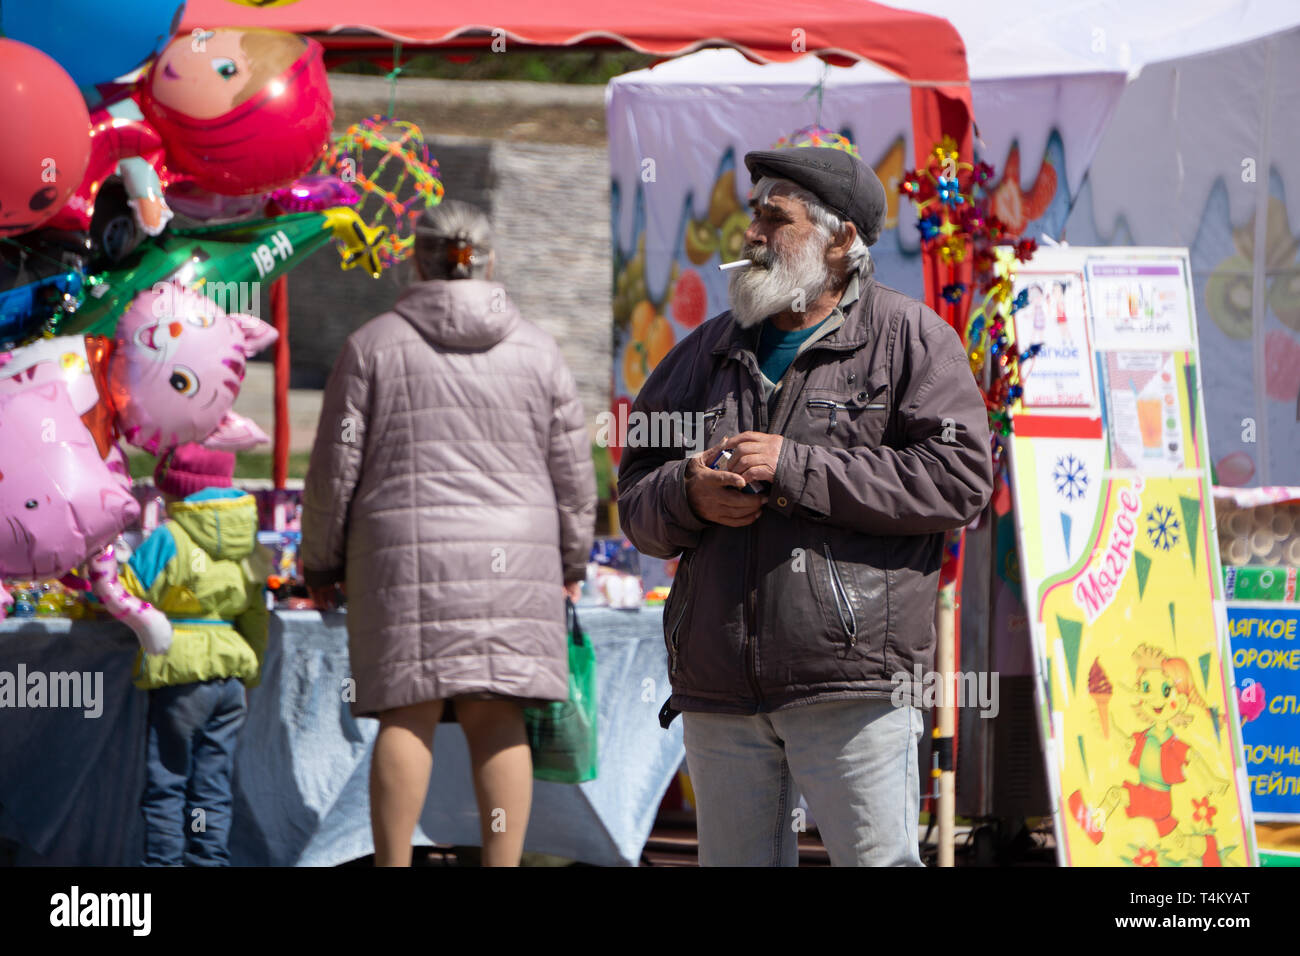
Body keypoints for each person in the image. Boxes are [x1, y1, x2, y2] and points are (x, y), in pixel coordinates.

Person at [618, 146, 994, 866]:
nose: (752, 233)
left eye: (775, 217)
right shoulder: (704, 352)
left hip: (852, 683)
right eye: (753, 215)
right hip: (720, 687)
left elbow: (959, 477)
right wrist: (687, 494)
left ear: (841, 239)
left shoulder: (910, 340)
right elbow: (635, 491)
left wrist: (797, 467)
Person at [301, 199, 597, 867]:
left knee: (407, 712)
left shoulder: (371, 346)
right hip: (516, 561)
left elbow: (333, 467)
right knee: (499, 715)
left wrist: (319, 560)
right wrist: (573, 558)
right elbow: (574, 473)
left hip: (401, 561)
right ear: (490, 262)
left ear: (416, 261)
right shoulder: (539, 351)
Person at [122, 443, 270, 866]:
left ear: (179, 491)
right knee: (211, 785)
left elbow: (127, 592)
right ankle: (207, 859)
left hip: (180, 673)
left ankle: (165, 861)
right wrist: (251, 674)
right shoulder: (248, 541)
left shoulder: (170, 537)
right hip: (230, 677)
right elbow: (255, 616)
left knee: (169, 781)